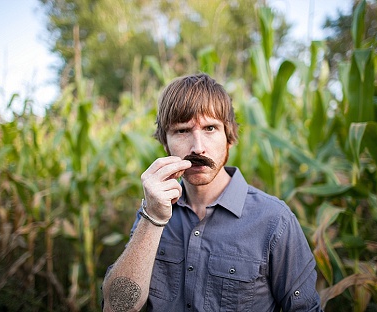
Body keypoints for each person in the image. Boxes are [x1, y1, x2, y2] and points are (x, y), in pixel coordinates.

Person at [102, 73, 321, 311]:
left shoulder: (274, 220)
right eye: (182, 131)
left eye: (210, 128)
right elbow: (117, 307)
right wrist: (152, 218)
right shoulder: (152, 212)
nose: (197, 147)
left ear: (229, 137)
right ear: (165, 144)